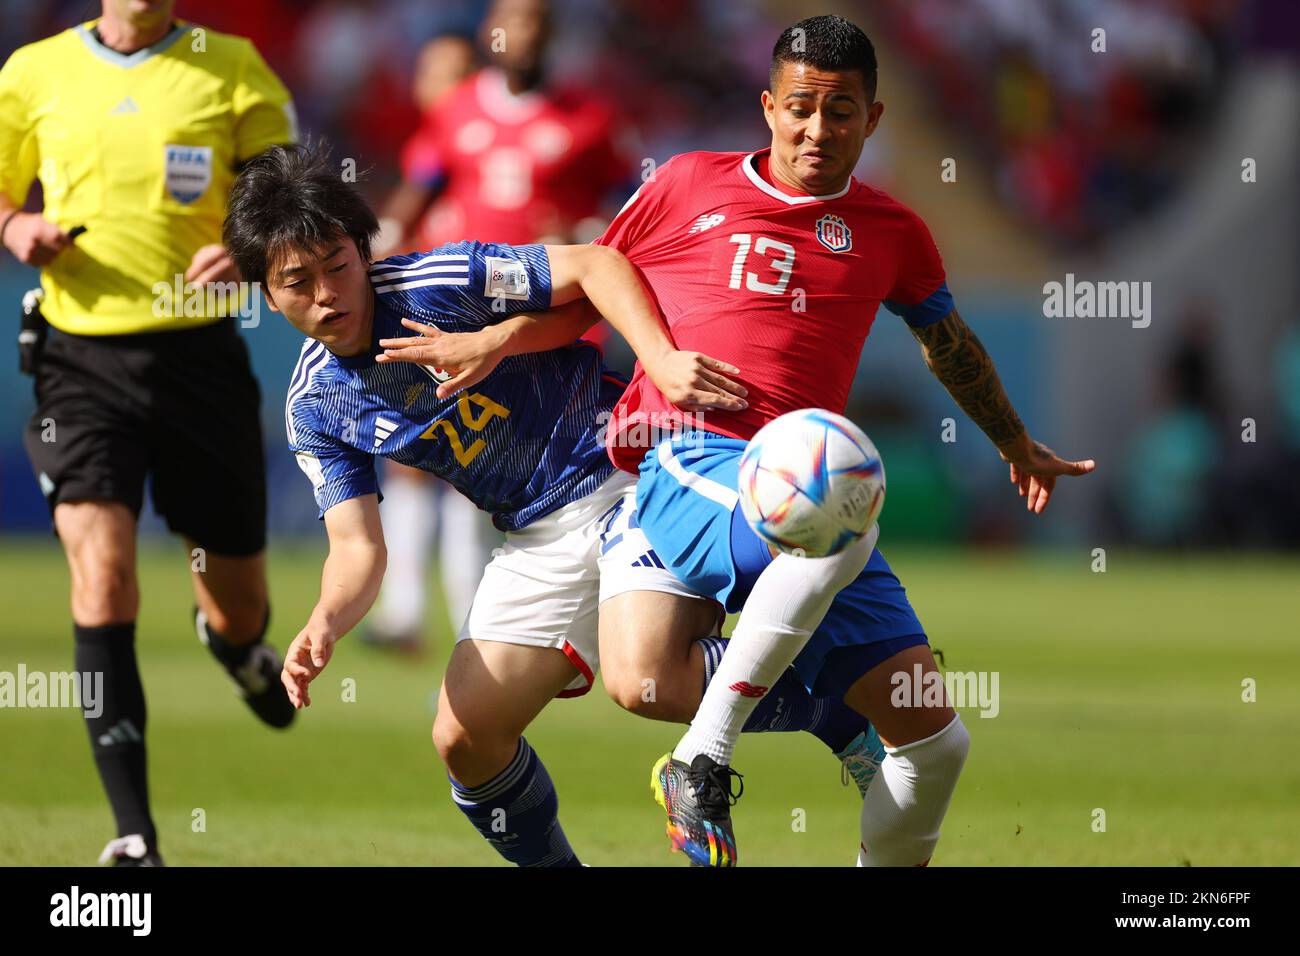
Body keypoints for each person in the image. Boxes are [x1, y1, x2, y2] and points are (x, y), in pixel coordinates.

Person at [227, 142, 886, 867]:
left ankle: (838, 705)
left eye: (338, 266)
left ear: (362, 248)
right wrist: (324, 622)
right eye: (297, 282)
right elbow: (357, 548)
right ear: (265, 291)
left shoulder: (440, 280)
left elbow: (598, 265)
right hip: (537, 533)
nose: (326, 293)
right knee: (464, 738)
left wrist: (653, 359)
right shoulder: (313, 406)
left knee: (646, 683)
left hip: (627, 474)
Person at [585, 15, 1097, 866]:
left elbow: (950, 345)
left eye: (841, 112)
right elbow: (587, 279)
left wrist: (1014, 439)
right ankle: (699, 760)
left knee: (936, 744)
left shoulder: (893, 232)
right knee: (828, 525)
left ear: (874, 118)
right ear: (768, 107)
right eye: (800, 109)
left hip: (807, 488)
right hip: (693, 452)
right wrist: (491, 341)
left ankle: (809, 740)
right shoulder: (684, 184)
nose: (817, 129)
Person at [0, 0, 298, 866]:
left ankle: (235, 647)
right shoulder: (34, 72)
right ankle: (135, 834)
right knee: (103, 576)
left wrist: (249, 252)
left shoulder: (233, 67)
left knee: (237, 600)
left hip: (199, 362)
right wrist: (16, 222)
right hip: (76, 360)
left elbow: (289, 199)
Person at [365, 0, 634, 652]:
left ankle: (501, 628)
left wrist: (579, 235)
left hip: (551, 322)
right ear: (493, 33)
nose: (523, 36)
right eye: (514, 22)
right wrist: (380, 252)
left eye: (538, 24)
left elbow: (631, 208)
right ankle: (417, 615)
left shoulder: (591, 120)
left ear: (552, 35)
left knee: (504, 474)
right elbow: (417, 188)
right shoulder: (456, 113)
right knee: (425, 460)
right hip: (461, 316)